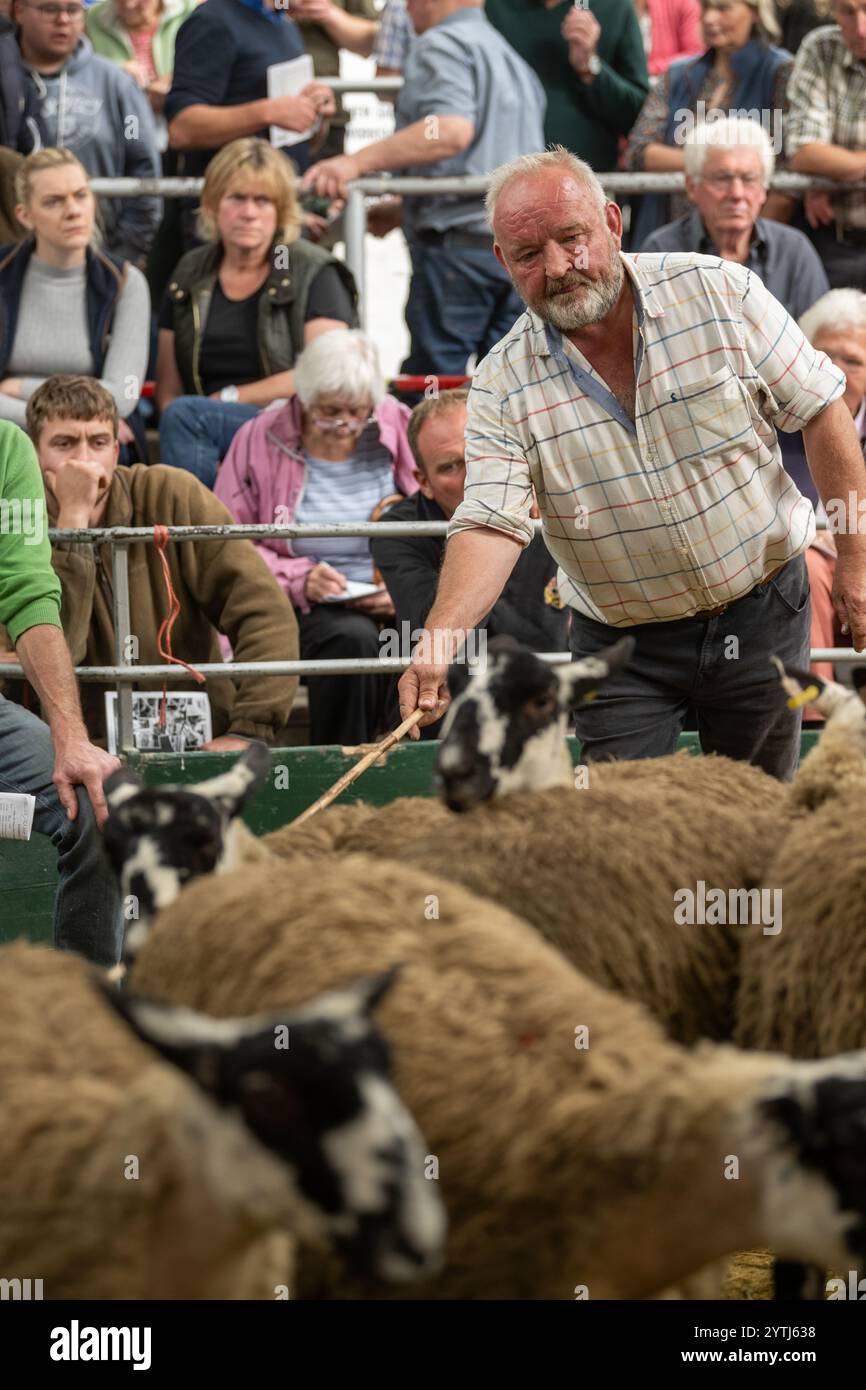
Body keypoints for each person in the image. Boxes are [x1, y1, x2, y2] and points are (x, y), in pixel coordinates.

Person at [396, 148, 866, 780]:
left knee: (756, 816)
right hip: (622, 648)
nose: (560, 268)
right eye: (530, 255)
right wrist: (439, 640)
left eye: (573, 238)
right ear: (504, 264)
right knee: (622, 833)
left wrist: (858, 561)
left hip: (761, 614)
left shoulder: (721, 292)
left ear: (613, 224)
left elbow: (821, 408)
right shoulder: (501, 384)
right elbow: (491, 522)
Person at [8, 373, 301, 749]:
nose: (84, 460)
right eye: (64, 443)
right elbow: (58, 645)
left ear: (116, 450)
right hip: (73, 744)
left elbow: (263, 612)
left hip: (195, 732)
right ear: (35, 454)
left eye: (98, 443)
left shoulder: (171, 494)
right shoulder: (17, 523)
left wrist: (249, 730)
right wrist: (73, 527)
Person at [302, 0, 546, 380]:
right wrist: (406, 206)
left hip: (457, 253)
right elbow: (493, 158)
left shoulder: (441, 45)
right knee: (512, 387)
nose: (404, 8)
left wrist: (354, 162)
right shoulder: (506, 55)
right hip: (513, 253)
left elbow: (450, 129)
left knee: (433, 384)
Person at [215, 329, 415, 745]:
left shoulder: (396, 422)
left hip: (392, 596)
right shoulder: (259, 437)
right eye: (330, 411)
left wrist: (408, 589)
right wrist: (299, 579)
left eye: (357, 413)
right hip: (301, 606)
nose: (344, 425)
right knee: (354, 640)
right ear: (304, 398)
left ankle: (419, 772)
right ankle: (344, 768)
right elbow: (227, 543)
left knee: (437, 638)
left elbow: (436, 511)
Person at [155, 138, 358, 486]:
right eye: (237, 198)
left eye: (262, 200)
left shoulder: (313, 269)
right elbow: (167, 390)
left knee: (185, 416)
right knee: (180, 417)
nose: (249, 212)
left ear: (281, 210)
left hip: (295, 423)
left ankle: (201, 534)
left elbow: (328, 378)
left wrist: (228, 399)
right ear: (212, 205)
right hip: (202, 430)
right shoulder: (190, 270)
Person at [370, 388, 569, 736]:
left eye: (479, 456)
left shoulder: (552, 505)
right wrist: (496, 530)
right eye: (450, 466)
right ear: (423, 482)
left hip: (545, 693)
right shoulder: (398, 530)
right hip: (451, 703)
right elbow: (435, 629)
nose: (473, 476)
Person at [0, 419, 120, 966]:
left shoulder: (6, 446)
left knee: (98, 803)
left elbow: (28, 593)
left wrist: (72, 740)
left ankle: (86, 1018)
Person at [0, 149, 150, 458]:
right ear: (25, 215)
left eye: (81, 195)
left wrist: (19, 387)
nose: (73, 211)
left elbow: (124, 395)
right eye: (54, 201)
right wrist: (69, 423)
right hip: (12, 433)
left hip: (88, 439)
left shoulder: (125, 282)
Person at [625, 0, 793, 247]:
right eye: (706, 9)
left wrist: (750, 243)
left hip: (743, 243)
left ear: (755, 12)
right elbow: (639, 151)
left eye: (723, 8)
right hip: (674, 240)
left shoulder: (779, 72)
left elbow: (789, 169)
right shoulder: (679, 75)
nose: (710, 18)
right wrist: (712, 164)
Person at [13, 0, 161, 265]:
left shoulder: (118, 86)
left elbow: (142, 161)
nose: (63, 20)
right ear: (20, 11)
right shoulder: (6, 82)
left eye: (73, 10)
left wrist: (126, 251)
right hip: (12, 256)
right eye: (50, 9)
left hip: (104, 253)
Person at [639, 114, 829, 319]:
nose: (737, 194)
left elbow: (819, 339)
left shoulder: (794, 252)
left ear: (764, 189)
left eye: (749, 179)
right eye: (723, 178)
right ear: (692, 187)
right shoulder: (661, 254)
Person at [784, 289, 866, 706]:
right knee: (808, 568)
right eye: (824, 356)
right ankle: (813, 721)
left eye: (852, 360)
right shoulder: (772, 426)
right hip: (798, 568)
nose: (836, 371)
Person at [484, 0, 649, 171]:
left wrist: (589, 67)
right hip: (503, 179)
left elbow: (637, 118)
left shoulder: (614, 6)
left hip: (587, 183)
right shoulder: (490, 7)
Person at [785, 0, 866, 290]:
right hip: (833, 239)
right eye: (848, 11)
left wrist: (837, 169)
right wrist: (827, 170)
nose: (861, 28)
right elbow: (805, 152)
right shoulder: (822, 47)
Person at [85, 0, 200, 148]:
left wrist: (177, 80)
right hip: (123, 127)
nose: (129, 5)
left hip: (179, 124)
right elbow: (78, 66)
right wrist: (114, 71)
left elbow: (211, 60)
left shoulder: (190, 10)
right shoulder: (93, 17)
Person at [283, 0, 380, 159]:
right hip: (256, 105)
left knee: (324, 179)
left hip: (326, 114)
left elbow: (372, 42)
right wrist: (282, 5)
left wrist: (327, 13)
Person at [634, 0, 703, 75]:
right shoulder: (621, 7)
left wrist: (650, 69)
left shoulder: (683, 3)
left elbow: (694, 54)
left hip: (668, 80)